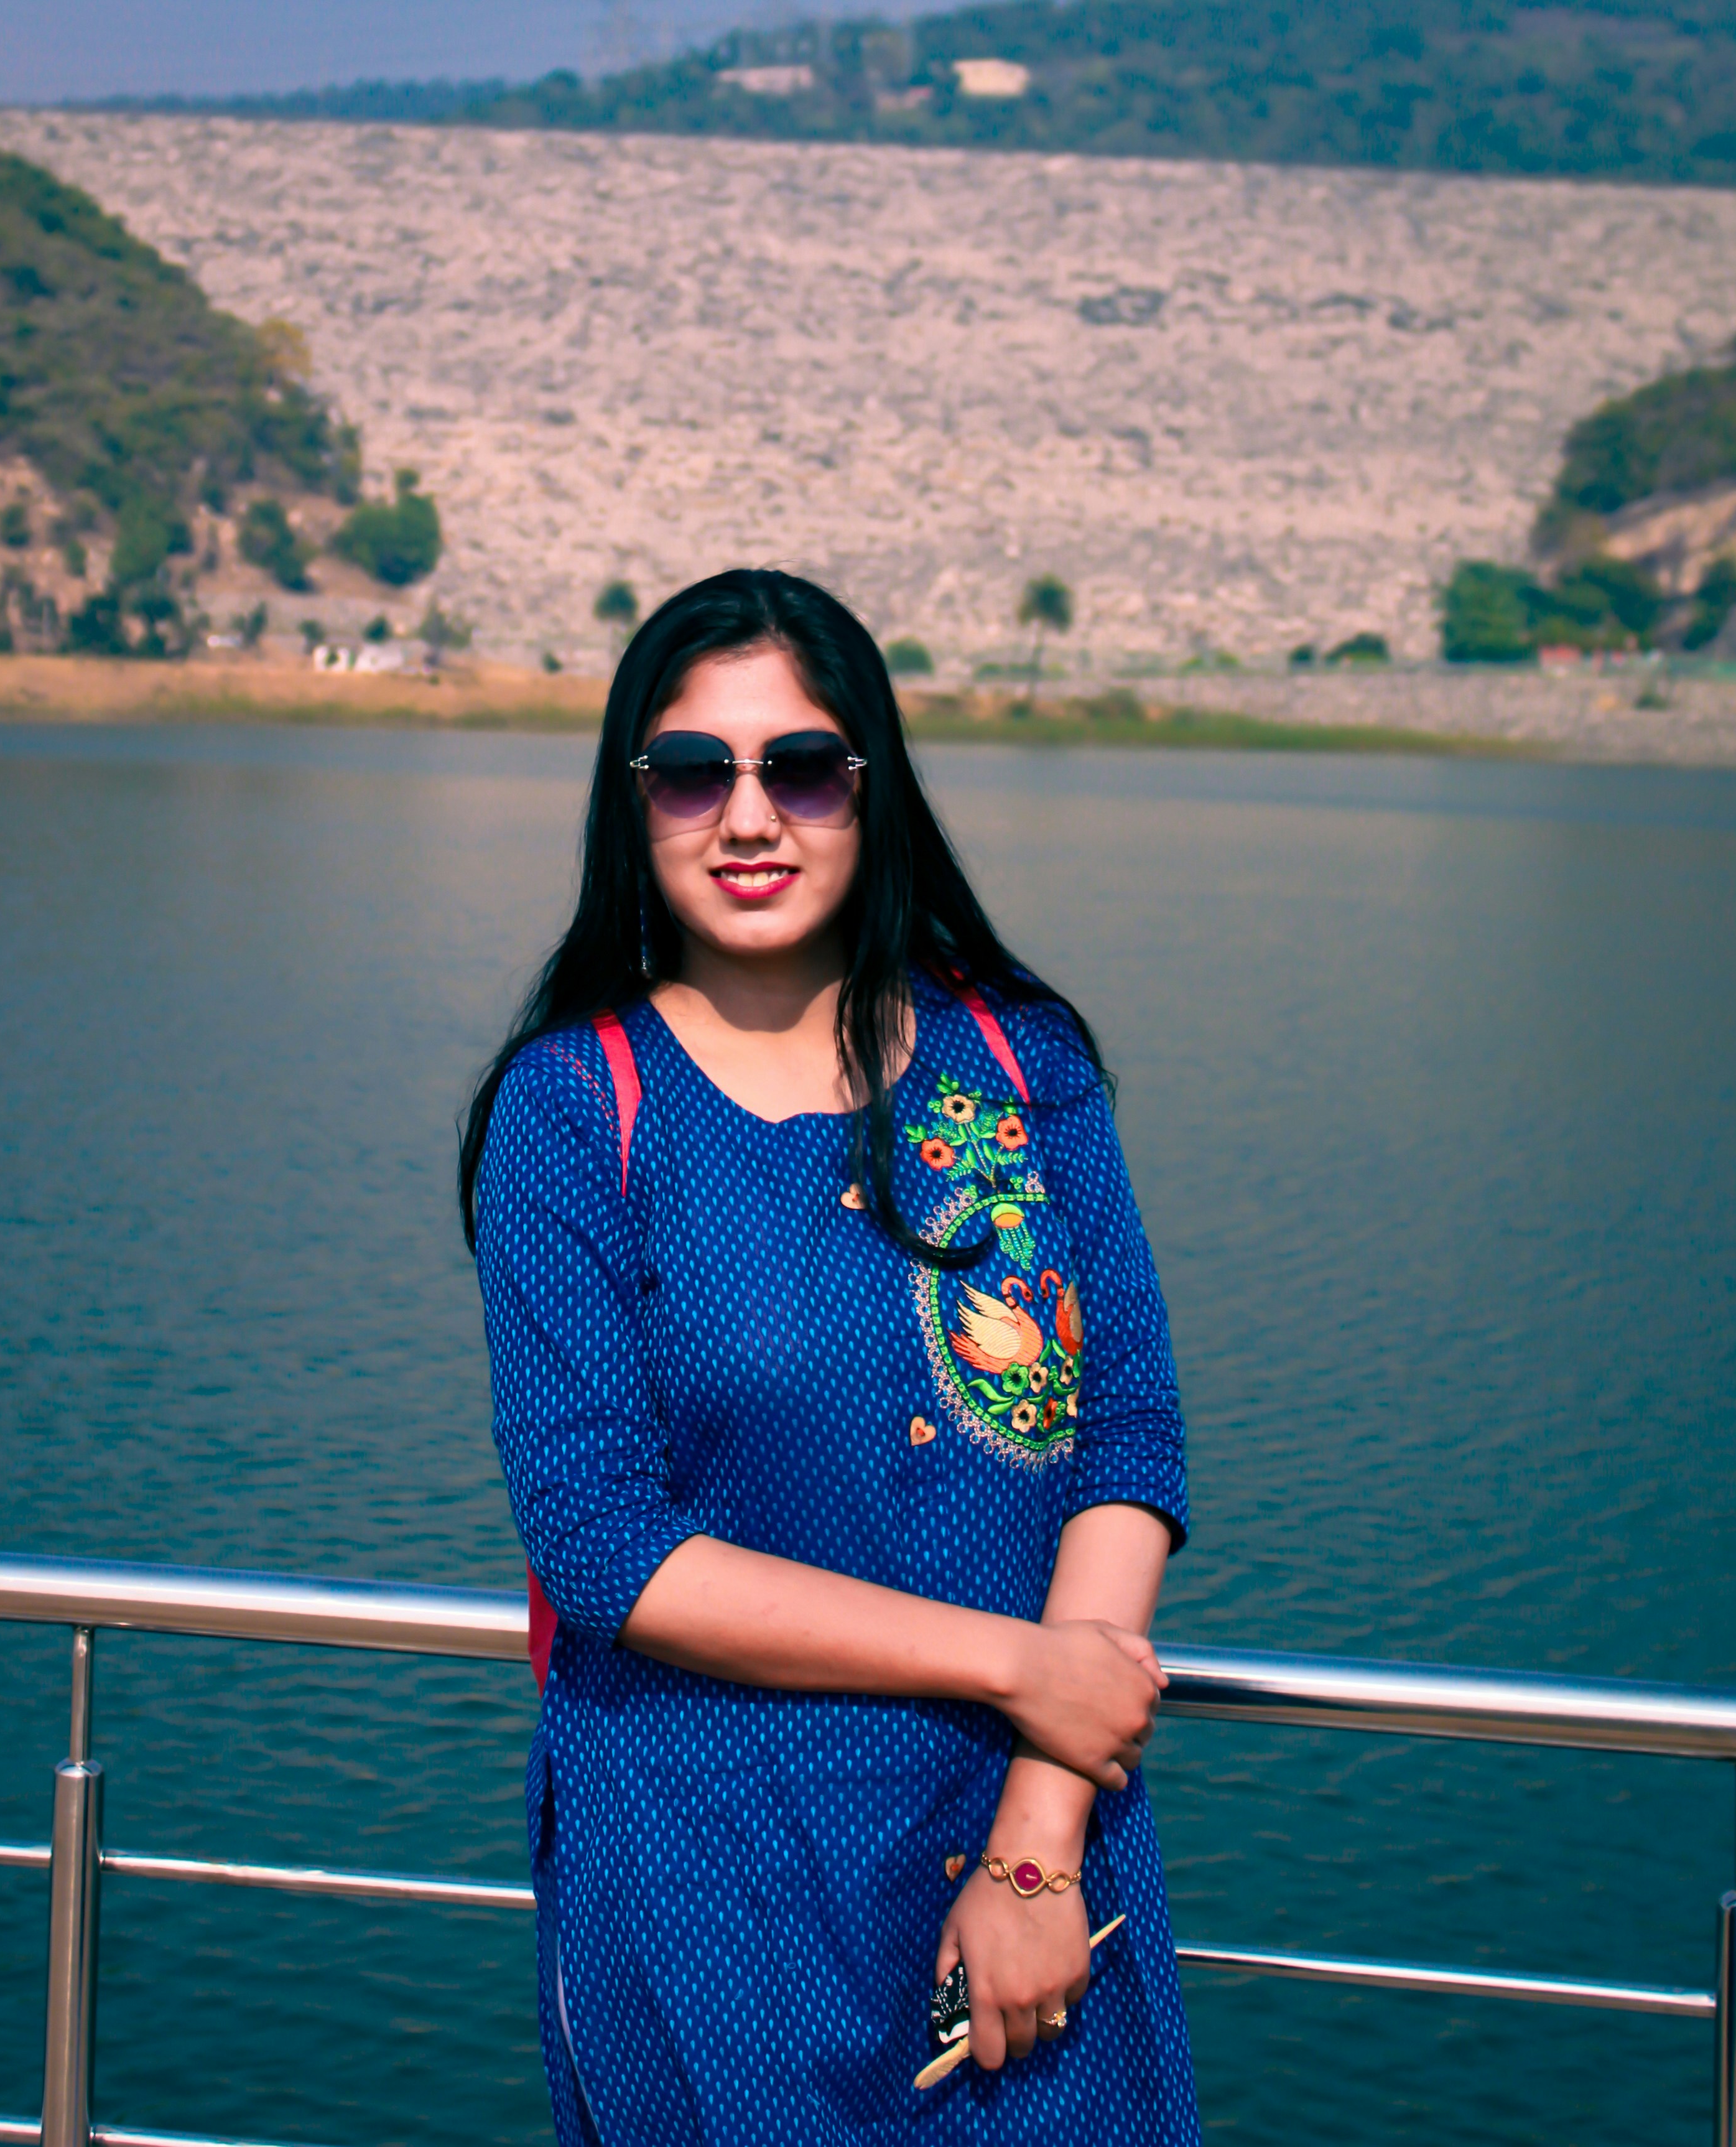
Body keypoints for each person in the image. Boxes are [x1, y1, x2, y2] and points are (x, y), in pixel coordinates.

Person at [459, 569, 1197, 2145]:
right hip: (713, 1890)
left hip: (1028, 1873)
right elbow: (605, 1552)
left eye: (800, 768)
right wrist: (1025, 1669)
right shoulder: (577, 1113)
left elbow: (1125, 1436)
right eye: (690, 771)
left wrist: (1037, 1846)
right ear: (632, 802)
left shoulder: (1020, 1063)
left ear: (871, 792)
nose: (748, 817)